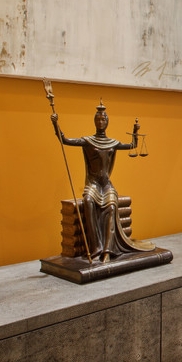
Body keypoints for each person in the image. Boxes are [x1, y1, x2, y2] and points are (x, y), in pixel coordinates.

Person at [51, 101, 154, 262]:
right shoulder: (88, 141)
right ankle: (95, 248)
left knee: (112, 207)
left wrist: (135, 131)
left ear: (107, 122)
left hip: (106, 185)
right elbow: (65, 140)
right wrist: (55, 123)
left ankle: (108, 250)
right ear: (95, 121)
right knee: (88, 201)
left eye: (103, 120)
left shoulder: (112, 143)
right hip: (93, 184)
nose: (100, 122)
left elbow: (132, 145)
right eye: (98, 120)